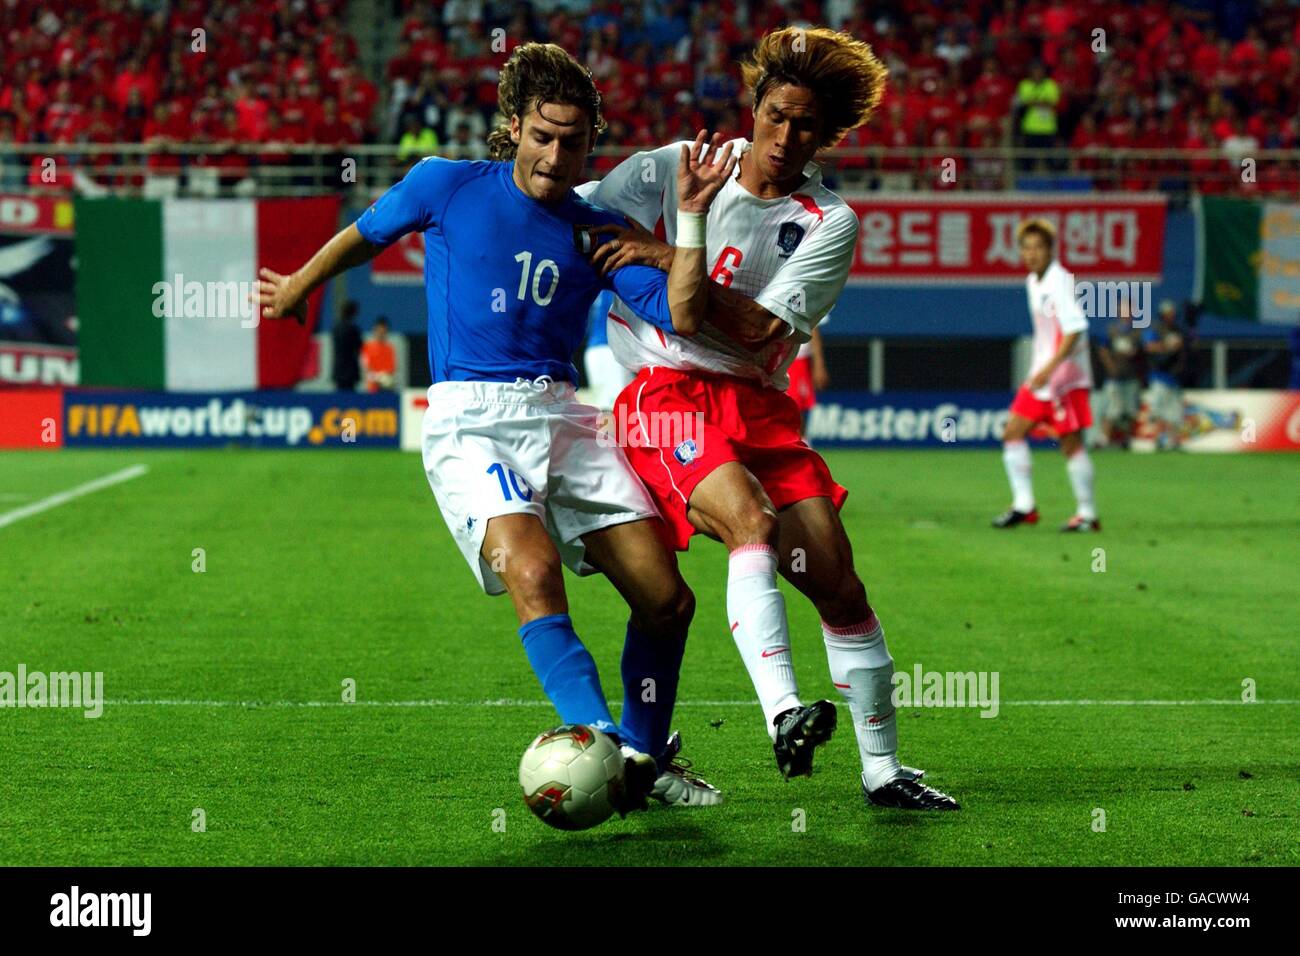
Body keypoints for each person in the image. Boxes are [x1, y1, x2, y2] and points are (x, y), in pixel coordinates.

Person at [252, 42, 736, 812]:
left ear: (588, 143)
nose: (555, 154)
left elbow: (683, 312)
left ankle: (642, 758)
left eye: (573, 140)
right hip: (470, 421)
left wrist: (694, 220)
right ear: (513, 126)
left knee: (667, 600)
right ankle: (598, 742)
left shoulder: (597, 227)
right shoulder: (444, 184)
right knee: (534, 572)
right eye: (543, 135)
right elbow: (367, 233)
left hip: (565, 418)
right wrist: (300, 286)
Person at [577, 27, 958, 810]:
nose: (786, 138)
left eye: (807, 126)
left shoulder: (828, 222)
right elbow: (577, 221)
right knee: (747, 521)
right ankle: (784, 712)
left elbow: (757, 332)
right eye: (777, 116)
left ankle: (883, 770)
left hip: (758, 402)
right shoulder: (671, 169)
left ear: (828, 135)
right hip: (665, 392)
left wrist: (663, 256)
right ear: (752, 109)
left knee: (839, 584)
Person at [994, 219, 1099, 532]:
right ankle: (1024, 506)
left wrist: (1050, 368)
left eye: (1038, 247)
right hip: (1041, 377)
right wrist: (1039, 371)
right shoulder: (1033, 281)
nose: (1032, 254)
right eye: (1026, 248)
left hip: (1064, 378)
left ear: (1051, 250)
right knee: (1012, 433)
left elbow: (1076, 328)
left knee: (1071, 445)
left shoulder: (1059, 281)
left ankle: (1088, 514)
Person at [1096, 301, 1143, 448]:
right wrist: (1110, 367)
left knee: (1129, 410)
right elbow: (1102, 350)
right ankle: (1103, 439)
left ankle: (1126, 440)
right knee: (1111, 410)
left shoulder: (1137, 330)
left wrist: (1134, 353)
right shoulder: (1112, 329)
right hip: (1115, 377)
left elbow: (1142, 351)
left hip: (1130, 376)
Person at [1144, 300, 1188, 449]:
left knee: (1174, 413)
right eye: (1168, 313)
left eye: (1172, 313)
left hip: (1173, 376)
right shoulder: (1156, 329)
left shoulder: (1177, 330)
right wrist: (1168, 346)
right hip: (1159, 376)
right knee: (1158, 411)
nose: (1171, 316)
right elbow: (1149, 347)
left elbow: (1184, 348)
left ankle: (1173, 441)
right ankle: (1158, 440)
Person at [785, 321, 830, 436]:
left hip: (796, 357)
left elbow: (812, 325)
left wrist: (819, 364)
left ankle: (803, 445)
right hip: (774, 354)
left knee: (794, 408)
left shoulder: (801, 302)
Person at [332, 301, 362, 391]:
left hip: (338, 368)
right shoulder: (353, 329)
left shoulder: (336, 328)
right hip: (350, 370)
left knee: (340, 396)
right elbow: (358, 346)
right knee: (349, 398)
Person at [361, 316, 398, 392]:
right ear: (375, 330)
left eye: (384, 332)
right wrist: (378, 378)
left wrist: (385, 378)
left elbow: (392, 368)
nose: (381, 334)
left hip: (387, 388)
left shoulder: (389, 349)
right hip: (372, 389)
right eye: (379, 331)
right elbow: (366, 368)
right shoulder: (367, 347)